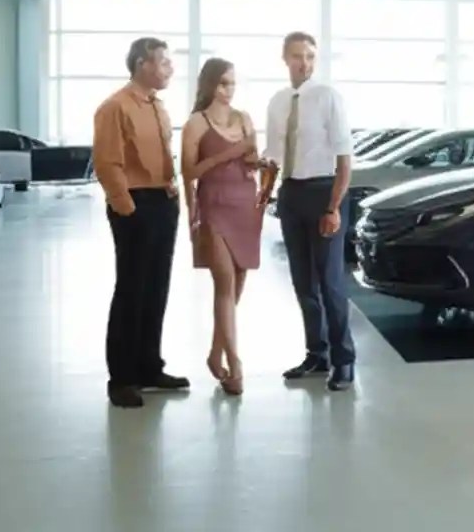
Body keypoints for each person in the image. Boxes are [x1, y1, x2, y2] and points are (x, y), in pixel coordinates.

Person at [92, 37, 189, 409]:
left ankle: (149, 366)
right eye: (163, 62)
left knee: (156, 288)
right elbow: (106, 162)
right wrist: (126, 207)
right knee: (131, 290)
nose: (169, 69)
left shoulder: (157, 107)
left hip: (163, 201)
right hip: (135, 205)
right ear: (142, 64)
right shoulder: (115, 107)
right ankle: (122, 378)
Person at [259, 31, 356, 391]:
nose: (305, 62)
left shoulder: (328, 97)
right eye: (298, 55)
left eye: (311, 56)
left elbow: (345, 160)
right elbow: (272, 156)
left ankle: (344, 360)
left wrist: (333, 208)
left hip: (324, 192)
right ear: (285, 58)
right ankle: (318, 354)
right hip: (292, 193)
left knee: (330, 281)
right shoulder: (278, 101)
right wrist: (263, 196)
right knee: (303, 282)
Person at [181, 58, 263, 396]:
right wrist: (191, 216)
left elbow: (252, 163)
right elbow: (189, 174)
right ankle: (235, 363)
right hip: (213, 206)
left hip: (245, 204)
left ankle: (215, 353)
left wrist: (255, 159)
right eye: (222, 83)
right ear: (209, 85)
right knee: (224, 283)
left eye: (232, 84)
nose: (228, 90)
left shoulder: (244, 119)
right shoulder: (195, 124)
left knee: (237, 284)